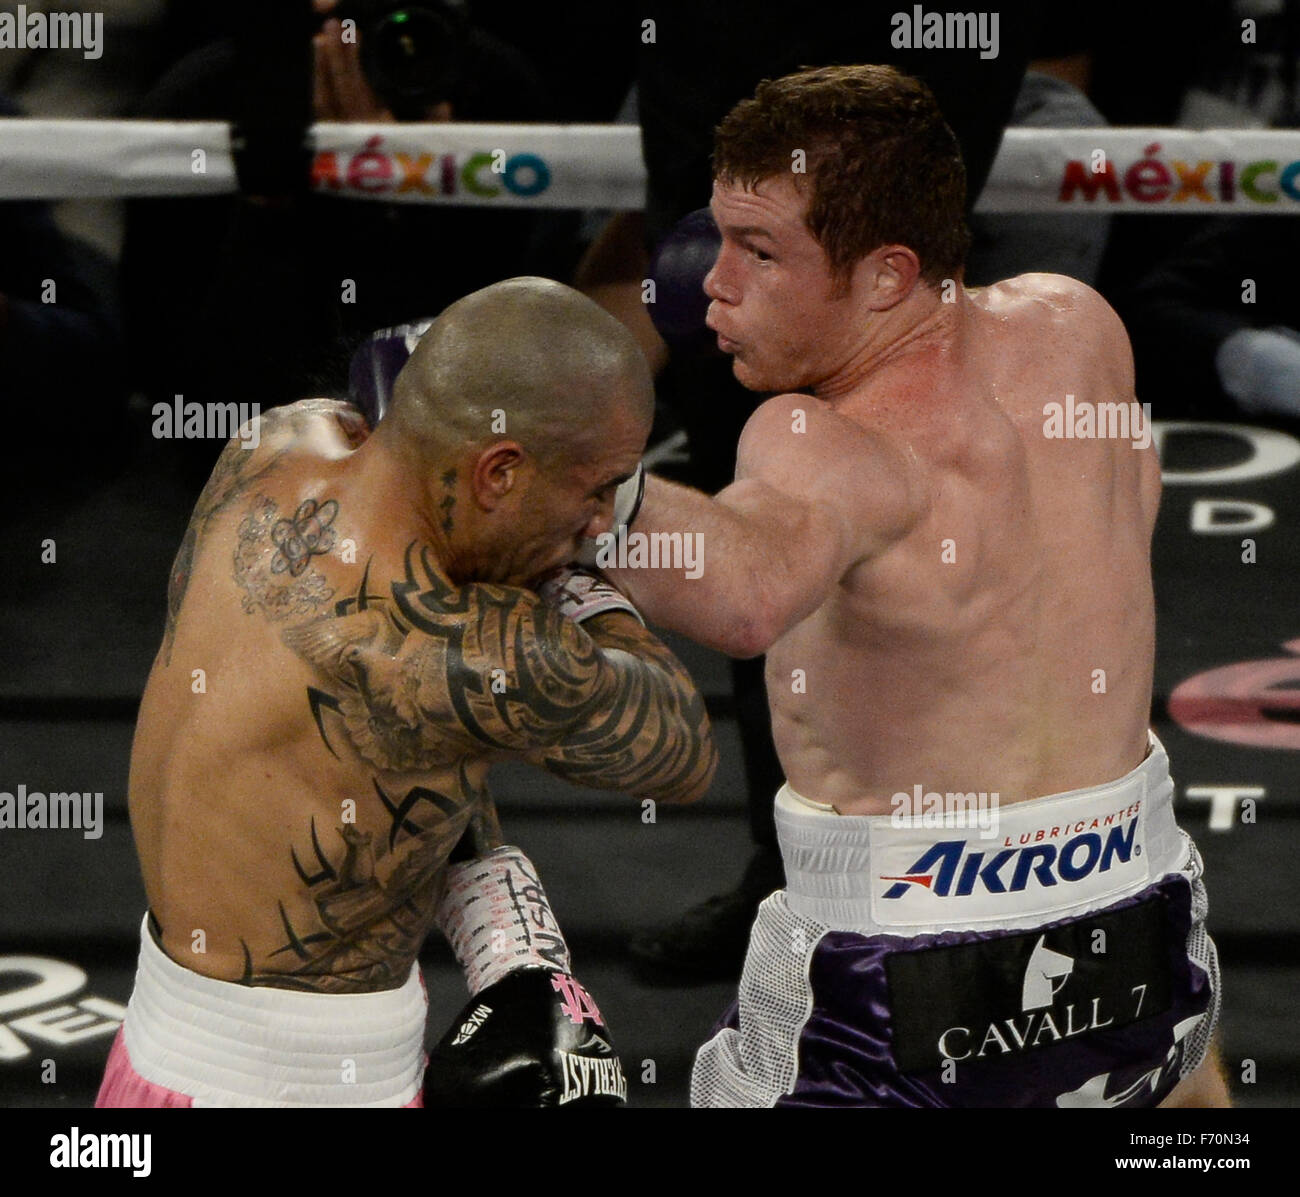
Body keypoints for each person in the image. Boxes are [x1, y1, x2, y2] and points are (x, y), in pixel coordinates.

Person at [605, 65, 1226, 1108]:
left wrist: (558, 484)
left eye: (760, 252)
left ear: (887, 275)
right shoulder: (1078, 325)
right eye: (716, 236)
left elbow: (747, 593)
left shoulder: (812, 441)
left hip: (908, 973)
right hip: (1144, 921)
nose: (710, 282)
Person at [95, 277, 717, 1107]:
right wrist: (578, 585)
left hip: (160, 1051)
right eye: (598, 488)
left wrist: (507, 937)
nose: (602, 520)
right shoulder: (459, 650)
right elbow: (680, 743)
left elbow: (416, 743)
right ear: (498, 472)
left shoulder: (271, 446)